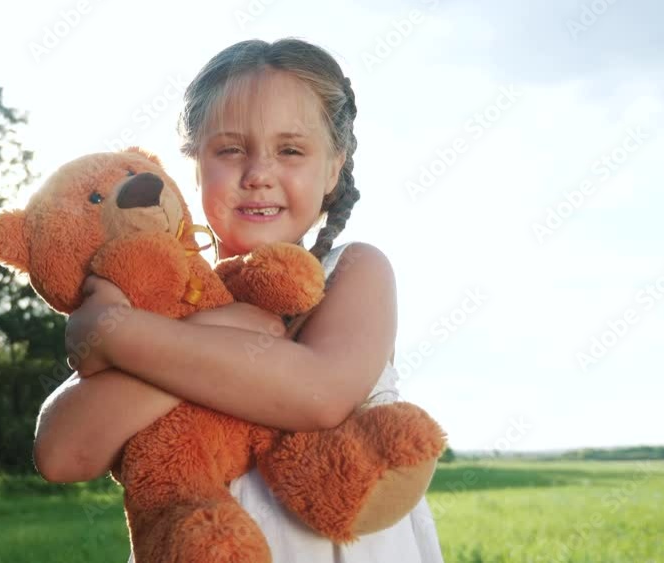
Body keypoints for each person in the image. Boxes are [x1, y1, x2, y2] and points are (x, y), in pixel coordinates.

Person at [34, 38, 444, 563]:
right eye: (230, 150)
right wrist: (223, 327)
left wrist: (117, 335)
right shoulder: (160, 300)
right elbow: (61, 452)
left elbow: (319, 393)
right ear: (196, 166)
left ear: (334, 167)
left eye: (291, 150)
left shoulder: (353, 271)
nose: (258, 174)